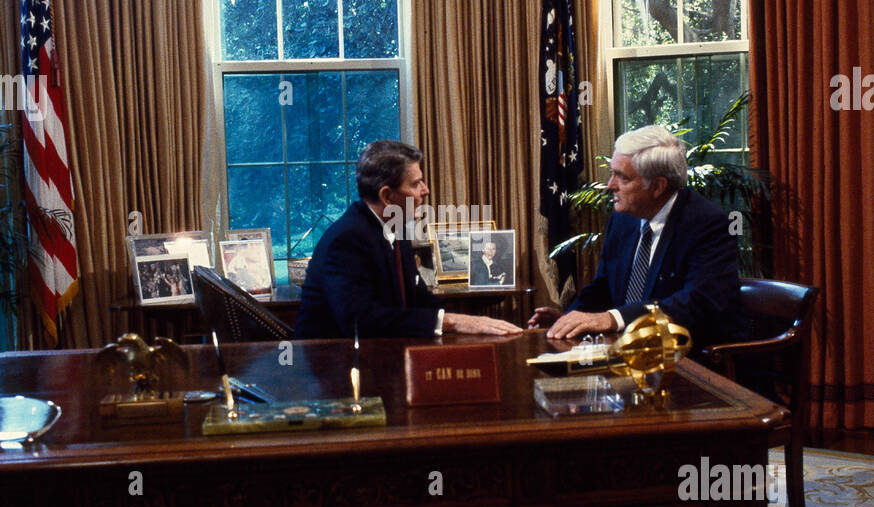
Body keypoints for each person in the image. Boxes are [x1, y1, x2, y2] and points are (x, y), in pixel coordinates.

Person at [528, 125, 743, 351]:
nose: (610, 185)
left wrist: (613, 318)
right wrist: (568, 320)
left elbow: (697, 303)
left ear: (658, 186)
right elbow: (603, 287)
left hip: (689, 357)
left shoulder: (708, 223)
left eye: (622, 177)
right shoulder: (623, 220)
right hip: (628, 351)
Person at [295, 140, 523, 340]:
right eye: (415, 184)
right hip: (333, 371)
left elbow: (420, 301)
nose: (426, 190)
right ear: (386, 196)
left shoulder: (396, 231)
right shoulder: (347, 240)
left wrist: (472, 323)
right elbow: (360, 320)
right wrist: (451, 322)